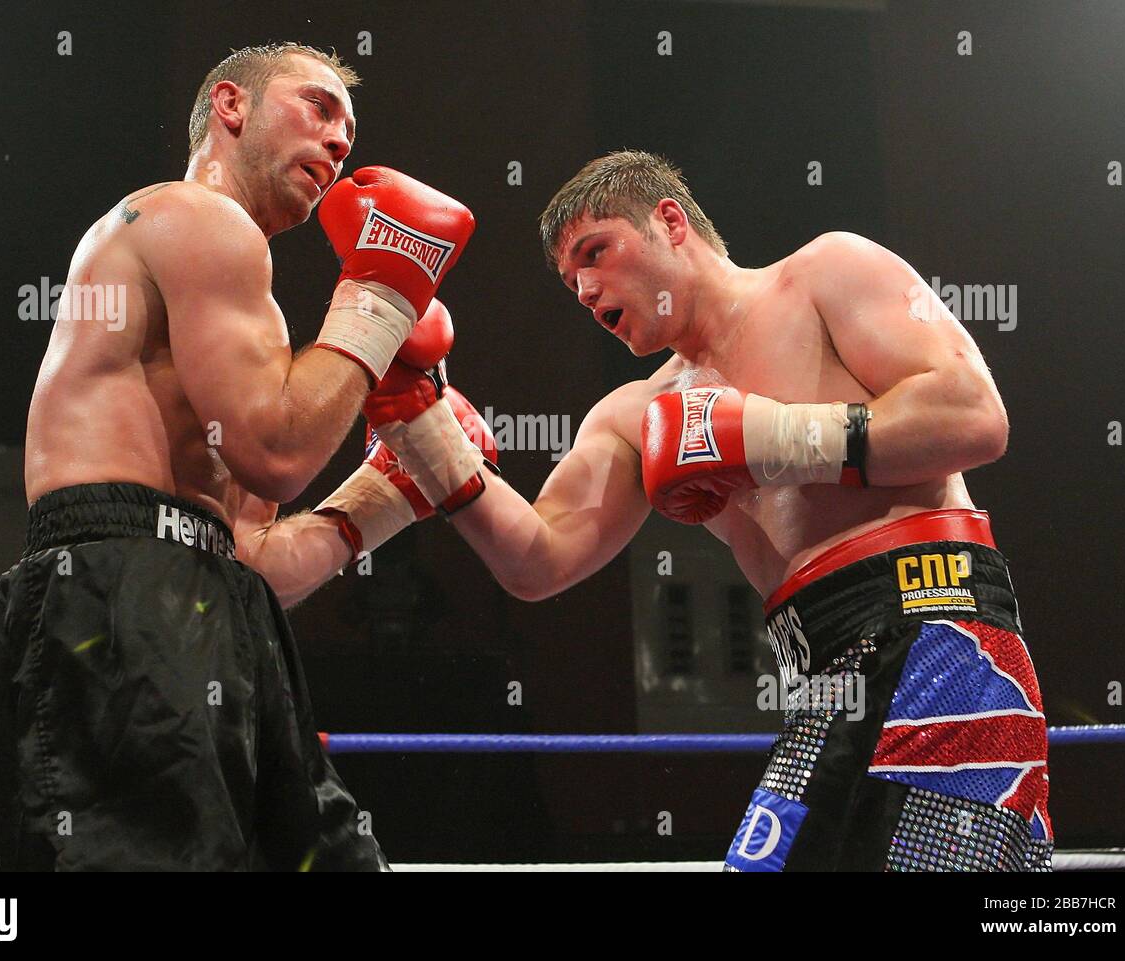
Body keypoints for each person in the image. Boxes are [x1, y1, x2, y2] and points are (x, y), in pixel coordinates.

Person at [359, 150, 1053, 871]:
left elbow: (974, 415)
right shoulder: (636, 415)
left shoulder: (824, 275)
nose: (588, 289)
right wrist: (426, 428)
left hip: (938, 626)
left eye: (596, 252)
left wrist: (766, 436)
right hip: (822, 673)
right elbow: (538, 562)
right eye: (572, 282)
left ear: (670, 222)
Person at [0, 42, 475, 870]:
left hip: (198, 598)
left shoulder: (244, 312)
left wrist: (387, 493)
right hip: (112, 598)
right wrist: (383, 296)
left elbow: (251, 559)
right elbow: (277, 450)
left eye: (347, 134)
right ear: (230, 105)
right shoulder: (187, 218)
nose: (337, 142)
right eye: (317, 107)